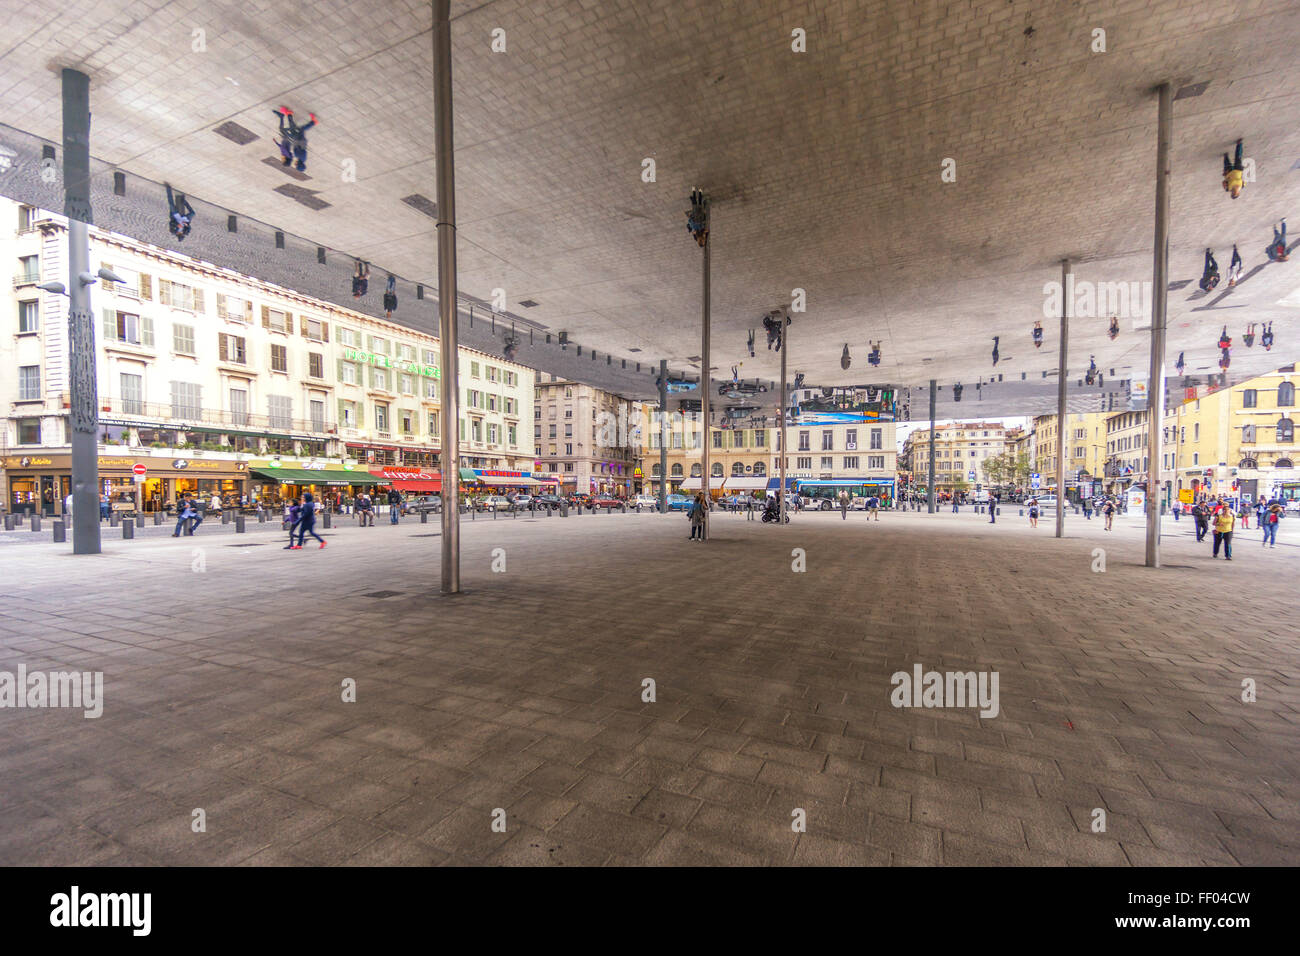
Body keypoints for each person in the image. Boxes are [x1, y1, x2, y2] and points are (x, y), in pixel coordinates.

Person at [274, 106, 316, 172]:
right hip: (299, 140)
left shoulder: (302, 159)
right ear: (299, 164)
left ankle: (289, 114)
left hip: (299, 141)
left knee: (296, 128)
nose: (295, 164)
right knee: (297, 129)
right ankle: (313, 122)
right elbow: (299, 149)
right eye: (296, 165)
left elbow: (302, 150)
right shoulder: (298, 156)